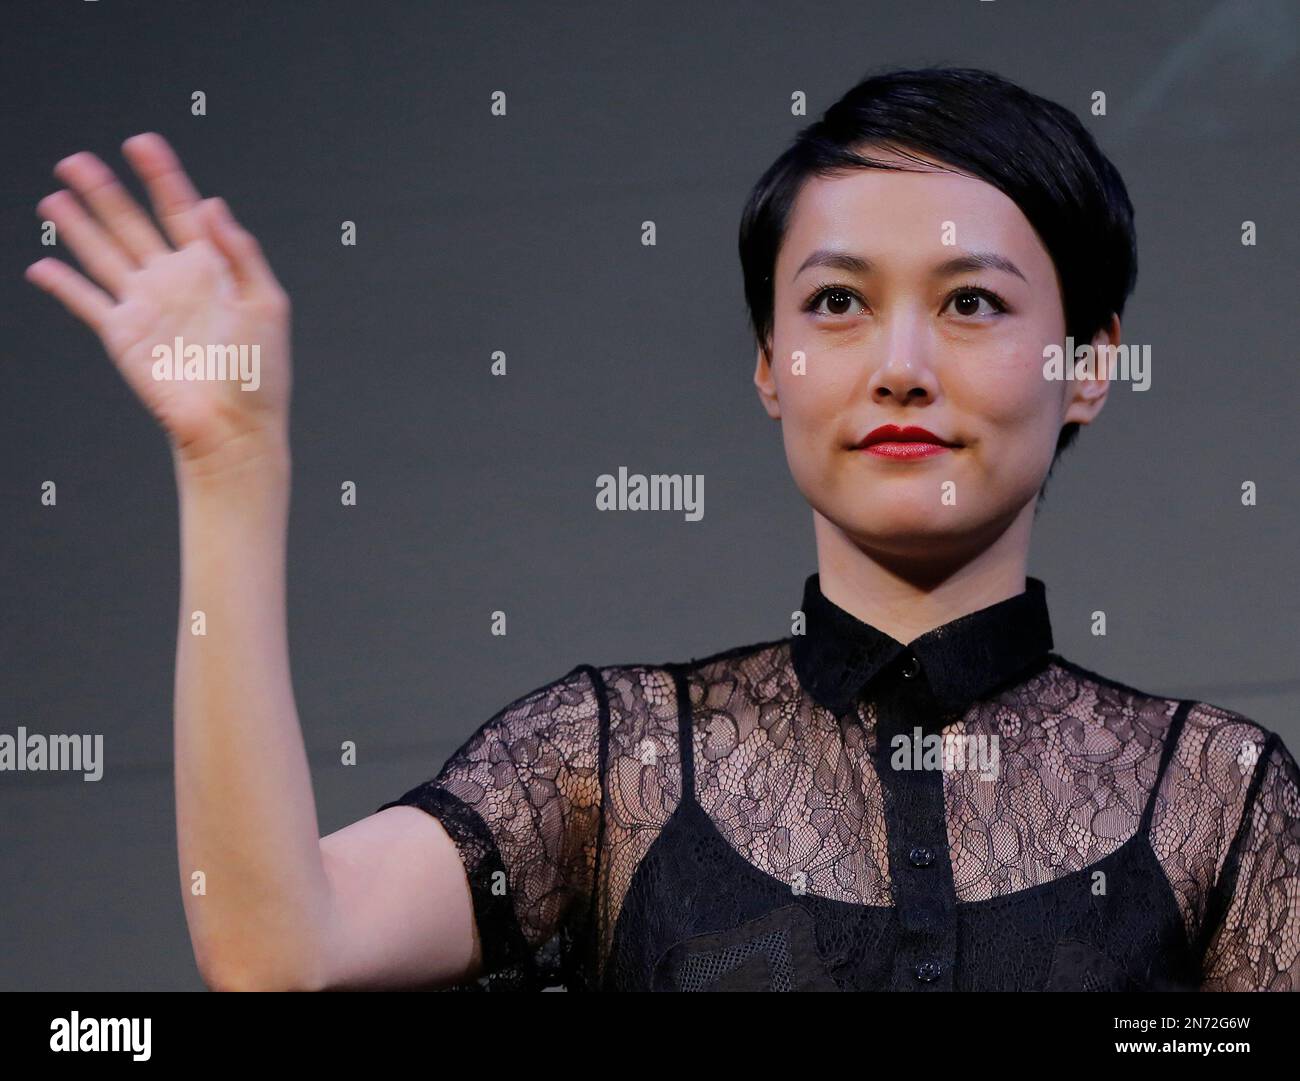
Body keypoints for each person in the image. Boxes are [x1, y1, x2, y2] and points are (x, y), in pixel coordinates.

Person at [26, 66, 1299, 992]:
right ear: (768, 364)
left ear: (1087, 365)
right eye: (838, 302)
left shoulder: (1219, 795)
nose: (900, 364)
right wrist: (231, 464)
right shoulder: (604, 754)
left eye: (970, 301)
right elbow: (273, 949)